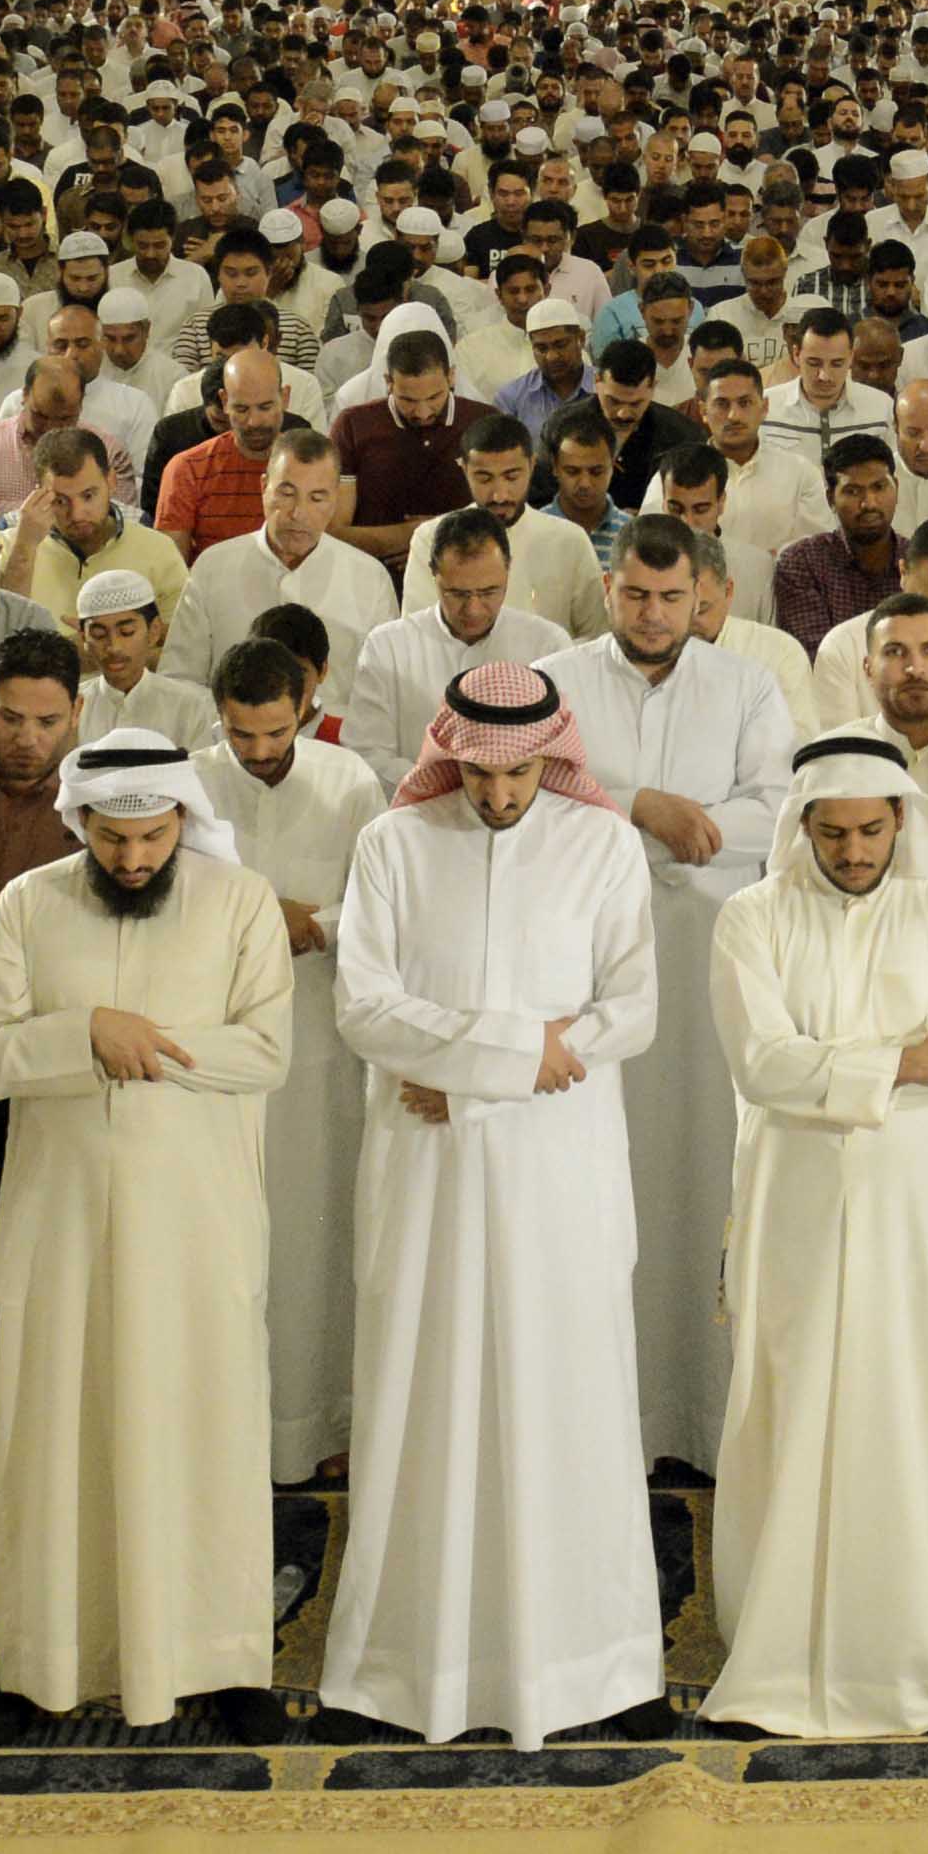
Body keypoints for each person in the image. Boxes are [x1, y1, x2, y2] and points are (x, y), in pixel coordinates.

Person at [323, 663, 668, 1740]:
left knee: (564, 1399)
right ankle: (399, 1672)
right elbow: (364, 1010)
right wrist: (520, 1055)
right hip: (425, 1177)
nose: (500, 794)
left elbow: (631, 1013)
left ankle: (593, 1672)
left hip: (555, 1176)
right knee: (423, 1395)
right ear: (451, 754)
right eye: (479, 772)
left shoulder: (602, 843)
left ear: (551, 755)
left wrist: (476, 1073)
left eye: (520, 774)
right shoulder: (392, 843)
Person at [0, 720, 289, 1719]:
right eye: (110, 839)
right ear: (79, 823)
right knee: (61, 1444)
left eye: (151, 838)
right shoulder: (27, 905)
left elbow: (265, 1051)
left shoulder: (240, 901)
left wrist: (145, 1043)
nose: (133, 859)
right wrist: (83, 1034)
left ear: (183, 817)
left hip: (196, 1228)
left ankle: (218, 1661)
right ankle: (51, 1665)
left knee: (200, 1436)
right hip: (61, 1231)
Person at [695, 725, 928, 1738]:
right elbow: (761, 1065)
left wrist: (845, 1065)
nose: (852, 852)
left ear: (902, 822)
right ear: (802, 828)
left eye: (870, 831)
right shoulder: (751, 915)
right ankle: (779, 1655)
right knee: (794, 1408)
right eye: (831, 833)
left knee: (914, 1417)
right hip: (793, 1211)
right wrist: (901, 1061)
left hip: (919, 1214)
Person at [550, 519, 790, 1473]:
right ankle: (603, 1424)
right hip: (587, 967)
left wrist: (656, 819)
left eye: (672, 598)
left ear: (706, 597)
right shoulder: (558, 682)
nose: (653, 616)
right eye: (636, 596)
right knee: (602, 1181)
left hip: (704, 966)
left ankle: (700, 1416)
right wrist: (642, 807)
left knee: (703, 1177)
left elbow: (775, 813)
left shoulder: (747, 685)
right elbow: (539, 796)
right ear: (610, 590)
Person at [187, 636, 388, 1484]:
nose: (261, 753)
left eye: (277, 733)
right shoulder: (191, 782)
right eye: (244, 736)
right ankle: (218, 1427)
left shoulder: (350, 783)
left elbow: (383, 911)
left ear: (306, 709)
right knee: (222, 1240)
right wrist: (264, 916)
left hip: (321, 1048)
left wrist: (318, 924)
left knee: (316, 1235)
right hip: (215, 1041)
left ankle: (322, 1423)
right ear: (220, 718)